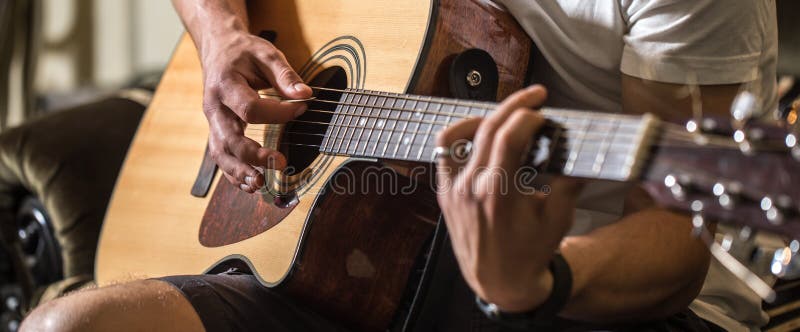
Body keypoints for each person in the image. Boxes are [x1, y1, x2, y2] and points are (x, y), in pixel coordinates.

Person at [19, 0, 778, 331]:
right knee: (68, 327)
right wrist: (220, 39)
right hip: (344, 263)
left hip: (583, 297)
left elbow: (679, 234)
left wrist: (534, 282)